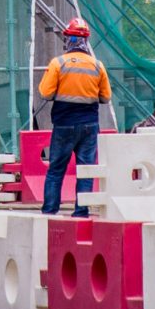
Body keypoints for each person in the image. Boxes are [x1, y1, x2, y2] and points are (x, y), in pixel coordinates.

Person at [36, 18, 112, 216]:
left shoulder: (58, 63)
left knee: (55, 171)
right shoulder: (97, 66)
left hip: (63, 126)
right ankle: (81, 212)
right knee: (85, 171)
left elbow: (45, 93)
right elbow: (105, 97)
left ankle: (50, 212)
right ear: (86, 41)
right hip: (89, 126)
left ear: (68, 38)